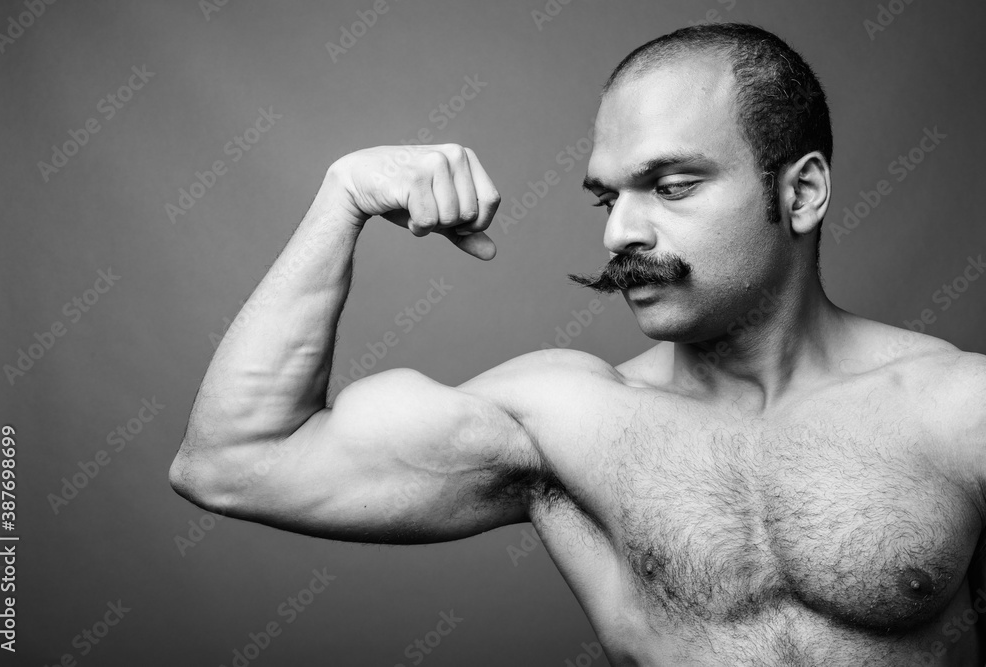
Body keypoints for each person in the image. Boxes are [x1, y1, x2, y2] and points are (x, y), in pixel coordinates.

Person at [169, 23, 986, 665]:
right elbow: (234, 460)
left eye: (670, 187)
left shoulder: (958, 413)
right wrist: (342, 195)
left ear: (800, 191)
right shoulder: (570, 422)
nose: (623, 231)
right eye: (607, 197)